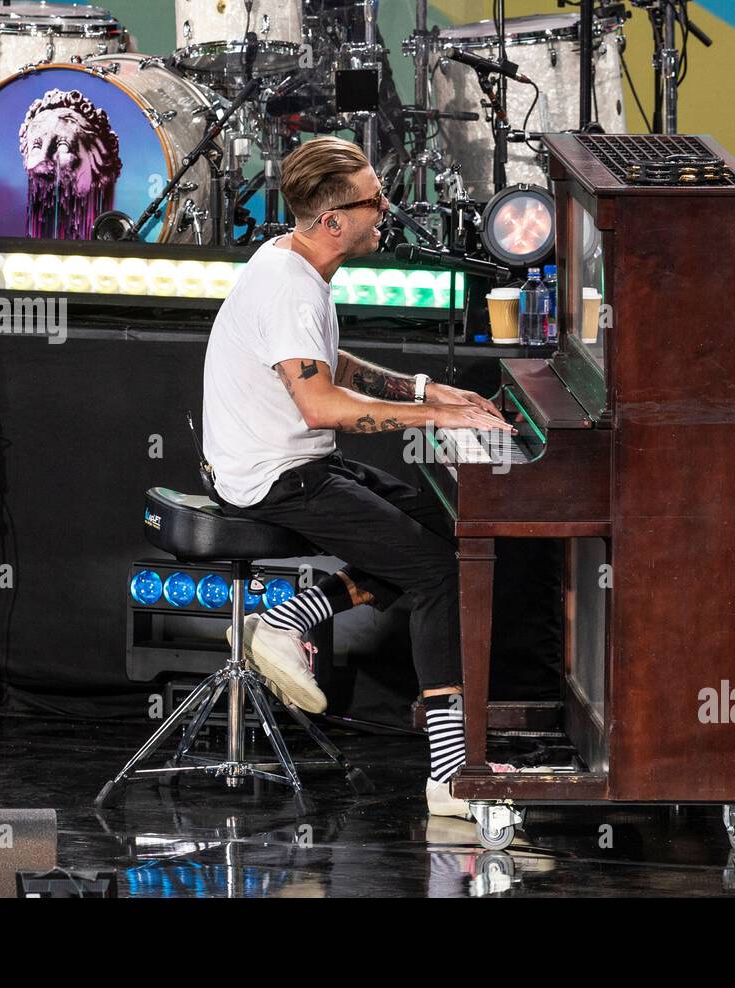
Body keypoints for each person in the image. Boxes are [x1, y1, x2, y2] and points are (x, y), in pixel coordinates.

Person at [202, 136, 512, 817]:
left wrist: (429, 390)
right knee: (438, 572)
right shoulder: (290, 286)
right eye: (376, 201)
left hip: (293, 459)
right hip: (273, 474)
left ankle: (286, 621)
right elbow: (320, 405)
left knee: (449, 536)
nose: (387, 211)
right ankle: (450, 775)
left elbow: (326, 365)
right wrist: (433, 418)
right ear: (335, 220)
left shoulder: (296, 262)